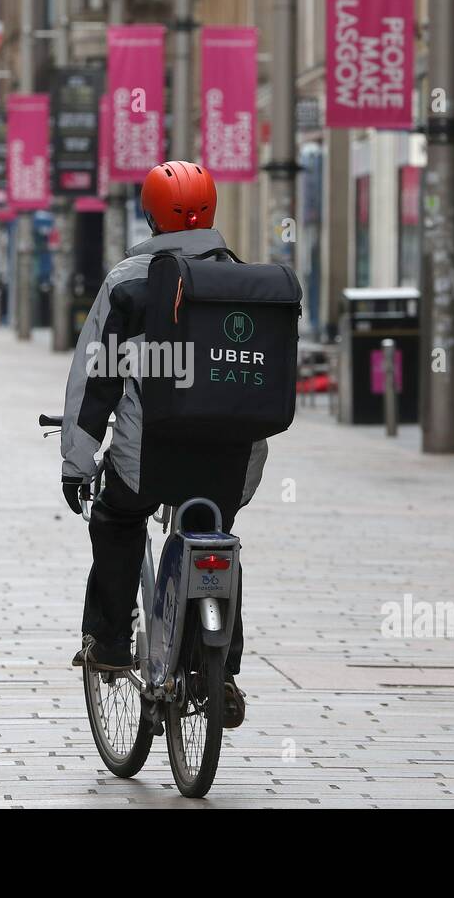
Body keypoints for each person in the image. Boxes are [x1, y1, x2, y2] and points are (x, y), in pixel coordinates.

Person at [58, 160, 269, 729]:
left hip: (146, 457)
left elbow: (95, 380)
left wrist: (76, 464)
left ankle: (107, 642)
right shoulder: (249, 284)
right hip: (234, 457)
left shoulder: (127, 281)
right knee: (215, 535)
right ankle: (220, 668)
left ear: (150, 214)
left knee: (117, 519)